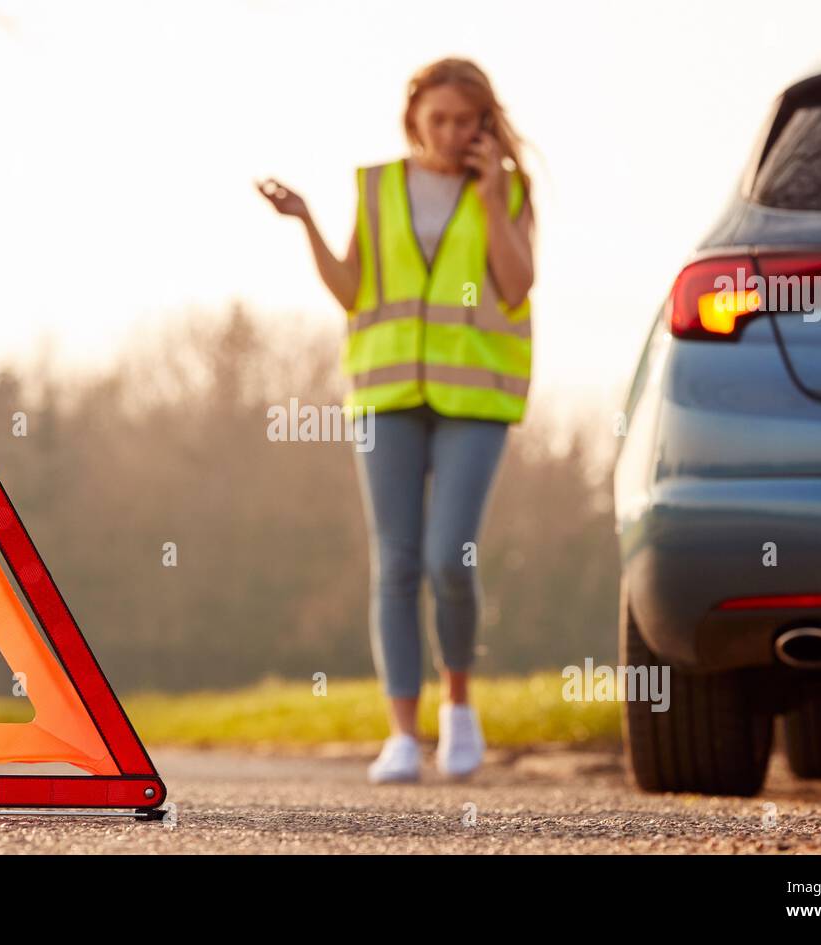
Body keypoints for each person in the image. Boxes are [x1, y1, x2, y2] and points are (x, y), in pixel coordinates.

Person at [257, 57, 537, 782]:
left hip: (475, 398)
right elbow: (352, 290)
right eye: (436, 119)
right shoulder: (378, 188)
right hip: (386, 394)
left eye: (464, 121)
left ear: (484, 125)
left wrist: (496, 193)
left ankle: (461, 707)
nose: (448, 133)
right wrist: (308, 223)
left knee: (451, 557)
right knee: (397, 563)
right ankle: (402, 737)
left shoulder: (507, 188)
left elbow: (515, 284)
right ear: (413, 118)